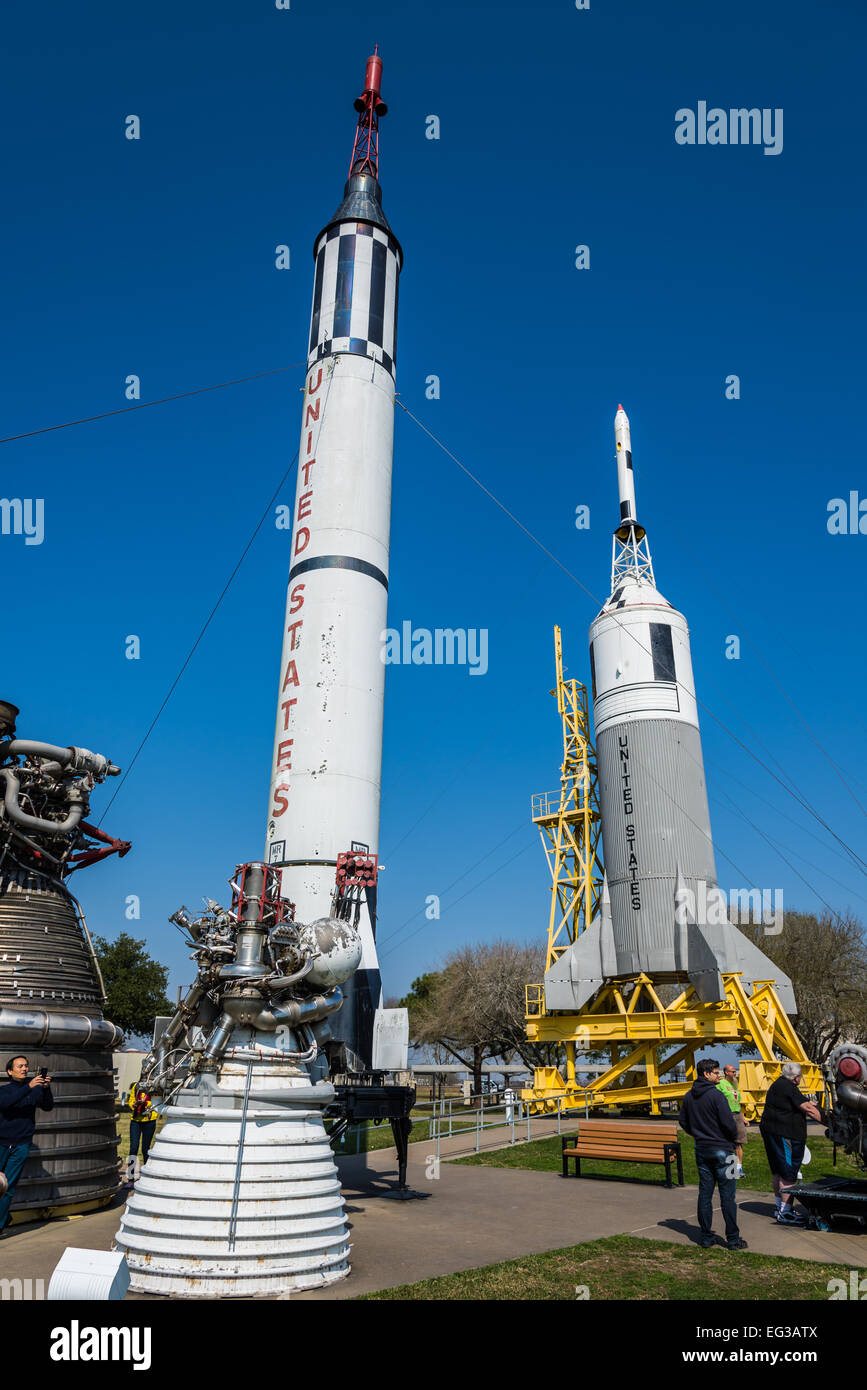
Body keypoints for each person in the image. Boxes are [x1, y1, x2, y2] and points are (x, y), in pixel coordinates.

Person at [679, 1057, 747, 1250]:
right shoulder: (717, 1096)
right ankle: (733, 1239)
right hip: (724, 1150)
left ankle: (706, 1236)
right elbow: (728, 1123)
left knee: (705, 1194)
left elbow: (684, 1122)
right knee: (728, 1197)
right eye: (716, 1072)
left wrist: (698, 1134)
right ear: (707, 1074)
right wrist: (732, 1138)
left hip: (702, 1149)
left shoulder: (689, 1096)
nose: (719, 1075)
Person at [759, 1062, 822, 1225]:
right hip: (784, 1134)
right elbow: (808, 1108)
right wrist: (831, 1123)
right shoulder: (788, 1087)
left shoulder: (779, 1085)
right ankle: (785, 1213)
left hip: (772, 1131)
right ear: (796, 1078)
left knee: (778, 1171)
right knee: (788, 1173)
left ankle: (780, 1208)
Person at [0, 1055, 53, 1234]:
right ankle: (5, 1216)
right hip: (1, 1143)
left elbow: (48, 1106)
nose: (24, 1068)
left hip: (21, 1145)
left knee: (7, 1188)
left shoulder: (34, 1089)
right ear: (10, 1071)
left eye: (26, 1066)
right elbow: (6, 1103)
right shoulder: (4, 1090)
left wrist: (46, 1089)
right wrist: (29, 1087)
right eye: (20, 1066)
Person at [126, 1080, 158, 1188]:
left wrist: (145, 1103)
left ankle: (147, 1177)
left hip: (149, 1120)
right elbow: (130, 1101)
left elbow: (157, 1101)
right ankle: (130, 1179)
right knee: (133, 1149)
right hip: (135, 1120)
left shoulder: (155, 1086)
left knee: (145, 1149)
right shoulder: (136, 1086)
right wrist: (134, 1104)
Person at [717, 1063, 747, 1178]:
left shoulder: (735, 1084)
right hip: (727, 1115)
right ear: (726, 1072)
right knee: (728, 1142)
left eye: (735, 1071)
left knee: (739, 1142)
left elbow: (737, 1101)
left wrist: (742, 1118)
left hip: (737, 1115)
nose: (735, 1073)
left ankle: (739, 1168)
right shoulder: (720, 1084)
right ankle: (728, 1167)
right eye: (733, 1071)